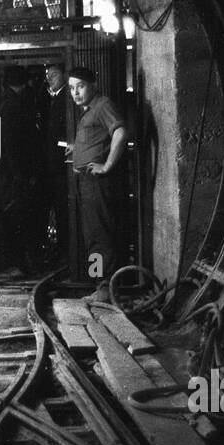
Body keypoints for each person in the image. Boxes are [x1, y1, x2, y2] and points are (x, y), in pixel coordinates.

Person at [66, 65, 129, 296]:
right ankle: (98, 285)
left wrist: (107, 165)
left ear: (94, 85)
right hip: (86, 182)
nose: (75, 92)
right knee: (92, 234)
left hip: (98, 182)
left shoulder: (103, 105)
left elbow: (120, 133)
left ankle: (105, 287)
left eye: (80, 86)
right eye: (72, 88)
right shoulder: (89, 110)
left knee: (99, 233)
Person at [0, 64, 43, 272]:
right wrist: (20, 174)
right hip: (17, 174)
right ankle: (22, 261)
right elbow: (12, 144)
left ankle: (21, 260)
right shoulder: (12, 106)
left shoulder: (9, 104)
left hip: (15, 173)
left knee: (19, 216)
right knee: (22, 216)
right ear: (22, 84)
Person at [42, 62, 72, 257]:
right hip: (56, 164)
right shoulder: (56, 98)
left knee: (63, 208)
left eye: (53, 75)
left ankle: (66, 251)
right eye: (48, 76)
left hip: (62, 164)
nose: (49, 79)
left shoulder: (64, 98)